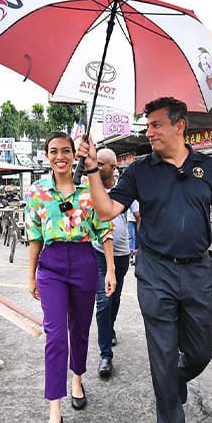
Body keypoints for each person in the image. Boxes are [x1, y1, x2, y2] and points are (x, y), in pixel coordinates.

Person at [77, 97, 212, 423]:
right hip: (155, 271)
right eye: (147, 126)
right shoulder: (138, 171)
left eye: (156, 125)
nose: (149, 133)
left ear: (179, 125)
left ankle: (175, 378)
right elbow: (104, 211)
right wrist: (89, 171)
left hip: (197, 271)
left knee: (201, 351)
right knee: (162, 355)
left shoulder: (207, 168)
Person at [24, 132, 115, 423]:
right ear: (46, 155)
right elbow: (34, 235)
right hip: (51, 266)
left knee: (79, 330)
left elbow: (104, 229)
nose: (59, 156)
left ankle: (77, 379)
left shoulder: (90, 189)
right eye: (53, 151)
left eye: (65, 150)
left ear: (75, 154)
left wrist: (111, 270)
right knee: (55, 335)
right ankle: (54, 413)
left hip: (83, 262)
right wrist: (32, 274)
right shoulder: (36, 192)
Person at [92, 148, 131, 379]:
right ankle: (105, 354)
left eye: (100, 165)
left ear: (112, 168)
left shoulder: (125, 191)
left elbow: (137, 218)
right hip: (98, 253)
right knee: (104, 301)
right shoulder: (91, 190)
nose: (95, 168)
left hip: (122, 254)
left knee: (114, 299)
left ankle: (110, 327)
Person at [127, 199, 140, 264]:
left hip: (139, 219)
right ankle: (131, 254)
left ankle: (137, 255)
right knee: (131, 236)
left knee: (138, 237)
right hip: (130, 219)